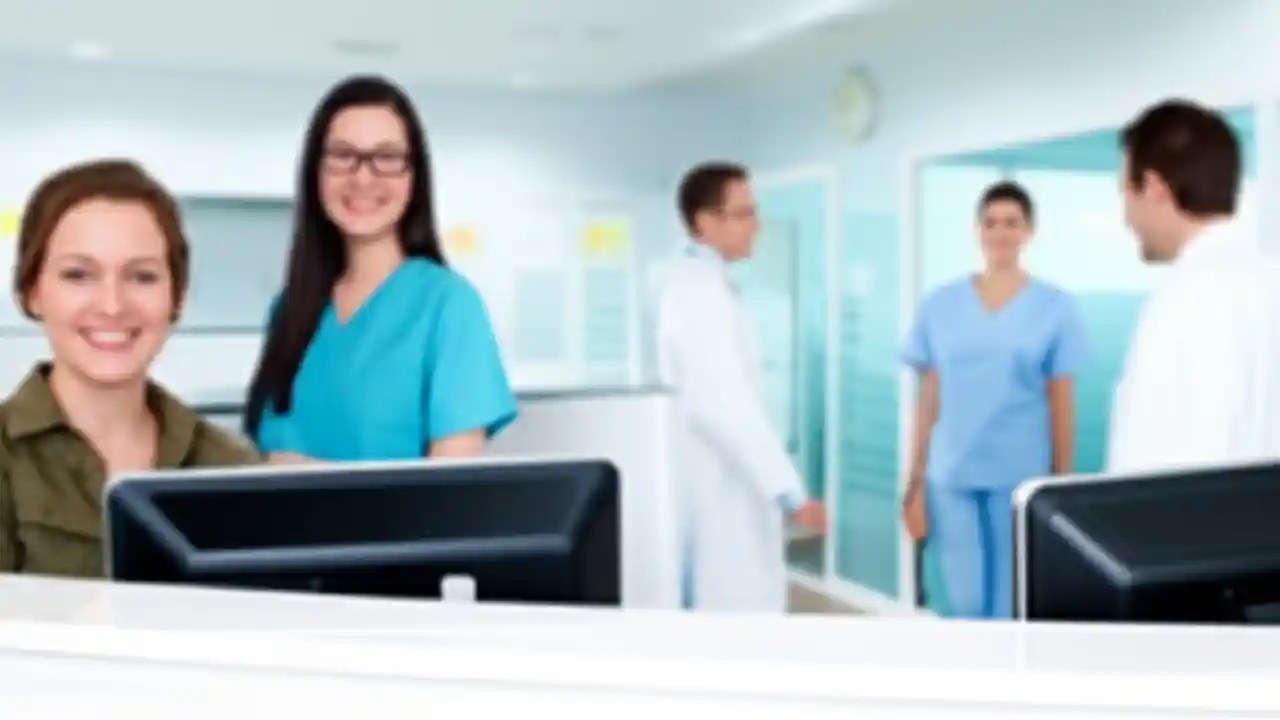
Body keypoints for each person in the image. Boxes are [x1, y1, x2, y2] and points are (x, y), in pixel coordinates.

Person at [0, 159, 261, 577]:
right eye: (79, 275)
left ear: (177, 296)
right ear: (32, 292)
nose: (112, 305)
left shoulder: (232, 468)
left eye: (142, 277)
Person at [243, 75, 517, 461]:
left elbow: (451, 498)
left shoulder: (448, 306)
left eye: (386, 157)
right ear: (315, 172)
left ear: (414, 176)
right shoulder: (289, 310)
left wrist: (317, 480)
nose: (363, 176)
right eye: (342, 155)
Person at [901, 181, 1089, 619]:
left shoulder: (1055, 307)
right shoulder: (940, 305)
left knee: (1010, 600)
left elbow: (1061, 399)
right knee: (963, 601)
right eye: (991, 222)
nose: (1000, 232)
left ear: (1029, 231)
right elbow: (928, 399)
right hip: (952, 475)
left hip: (1020, 477)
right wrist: (914, 483)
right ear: (977, 229)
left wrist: (1061, 483)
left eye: (1012, 223)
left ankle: (1007, 683)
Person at [654, 161, 826, 613]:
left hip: (723, 478)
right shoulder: (699, 295)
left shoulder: (701, 284)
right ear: (706, 222)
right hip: (721, 486)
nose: (757, 224)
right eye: (744, 213)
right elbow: (726, 405)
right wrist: (789, 492)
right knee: (735, 606)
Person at [1108, 99, 1280, 472]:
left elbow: (1153, 481)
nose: (1126, 216)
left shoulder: (1184, 302)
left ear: (1153, 187)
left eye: (1125, 190)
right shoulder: (1270, 283)